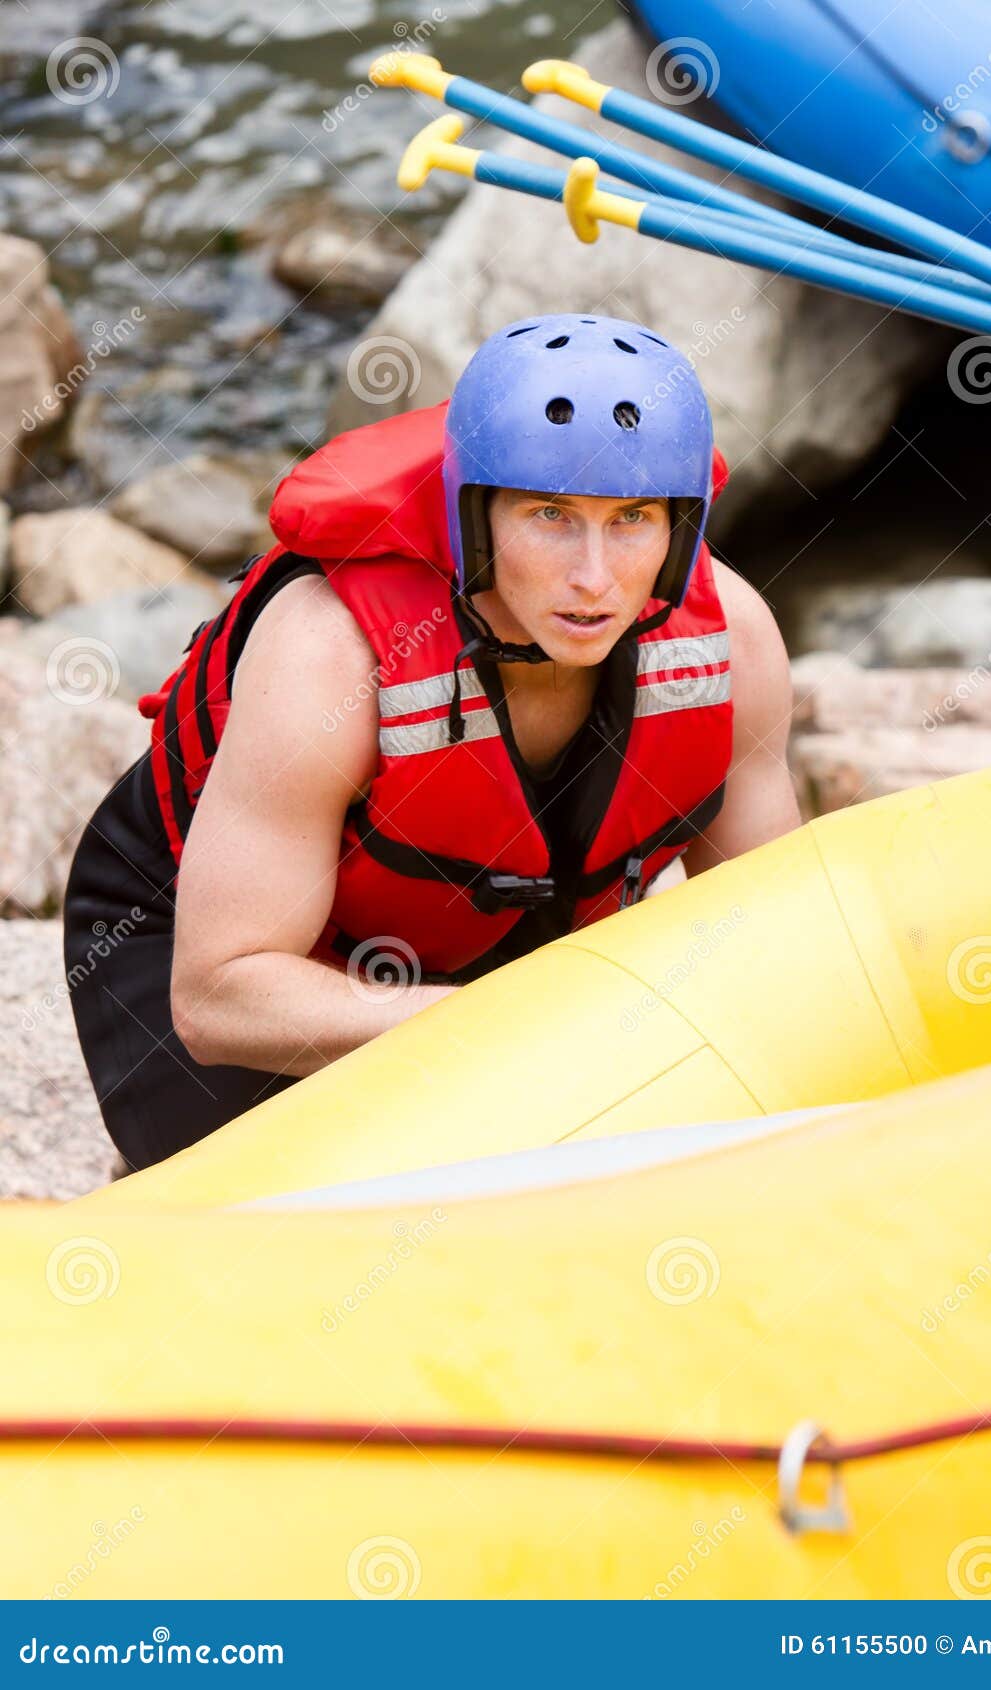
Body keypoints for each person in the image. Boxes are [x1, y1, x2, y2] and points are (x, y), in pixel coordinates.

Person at [63, 312, 800, 1172]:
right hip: (206, 933)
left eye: (632, 516)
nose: (595, 578)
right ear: (473, 517)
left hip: (494, 926)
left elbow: (771, 934)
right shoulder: (333, 656)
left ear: (682, 522)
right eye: (550, 515)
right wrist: (495, 1029)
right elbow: (218, 997)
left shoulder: (732, 639)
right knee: (304, 1212)